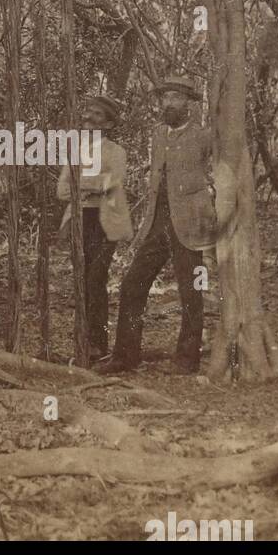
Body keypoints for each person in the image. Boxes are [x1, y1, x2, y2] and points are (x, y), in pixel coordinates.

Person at [97, 74, 217, 376]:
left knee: (191, 292)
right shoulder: (158, 133)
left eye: (176, 98)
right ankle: (125, 356)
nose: (169, 103)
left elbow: (216, 174)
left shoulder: (203, 136)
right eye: (165, 98)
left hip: (190, 224)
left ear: (188, 103)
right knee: (131, 285)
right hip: (157, 223)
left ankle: (188, 360)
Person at [55, 93, 132, 362]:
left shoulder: (116, 152)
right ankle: (84, 343)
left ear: (109, 125)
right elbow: (62, 191)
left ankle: (98, 345)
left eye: (98, 115)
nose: (90, 118)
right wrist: (92, 185)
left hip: (105, 222)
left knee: (96, 279)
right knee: (82, 280)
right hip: (80, 220)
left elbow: (113, 182)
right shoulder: (76, 150)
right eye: (88, 112)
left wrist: (83, 184)